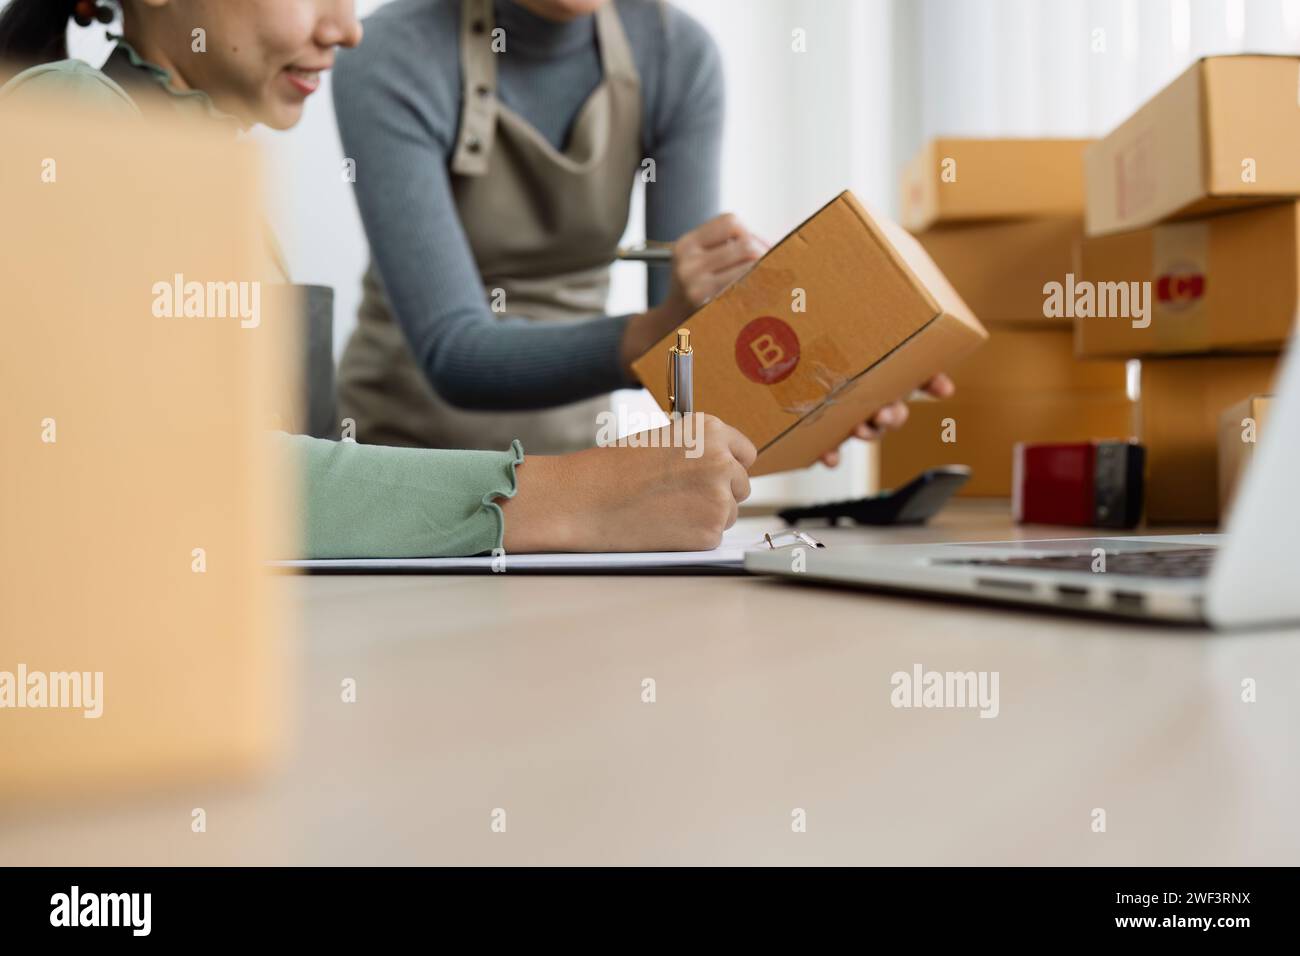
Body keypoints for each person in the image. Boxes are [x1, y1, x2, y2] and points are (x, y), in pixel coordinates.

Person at [0, 0, 756, 557]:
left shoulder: (220, 188)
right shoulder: (67, 117)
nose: (347, 28)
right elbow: (170, 475)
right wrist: (578, 500)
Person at [332, 0, 951, 464]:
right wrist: (657, 339)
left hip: (571, 477)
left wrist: (827, 384)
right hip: (401, 469)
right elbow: (454, 355)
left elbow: (690, 346)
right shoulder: (392, 52)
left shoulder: (674, 54)